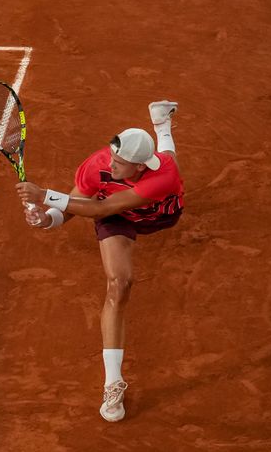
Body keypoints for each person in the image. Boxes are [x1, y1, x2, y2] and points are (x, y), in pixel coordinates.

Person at [16, 101, 183, 422]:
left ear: (140, 167)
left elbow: (99, 208)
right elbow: (74, 207)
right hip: (118, 218)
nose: (111, 165)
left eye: (120, 164)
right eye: (112, 156)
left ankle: (162, 126)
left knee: (171, 161)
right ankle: (113, 382)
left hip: (157, 214)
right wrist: (46, 219)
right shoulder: (98, 165)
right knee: (119, 283)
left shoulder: (161, 175)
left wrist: (44, 195)